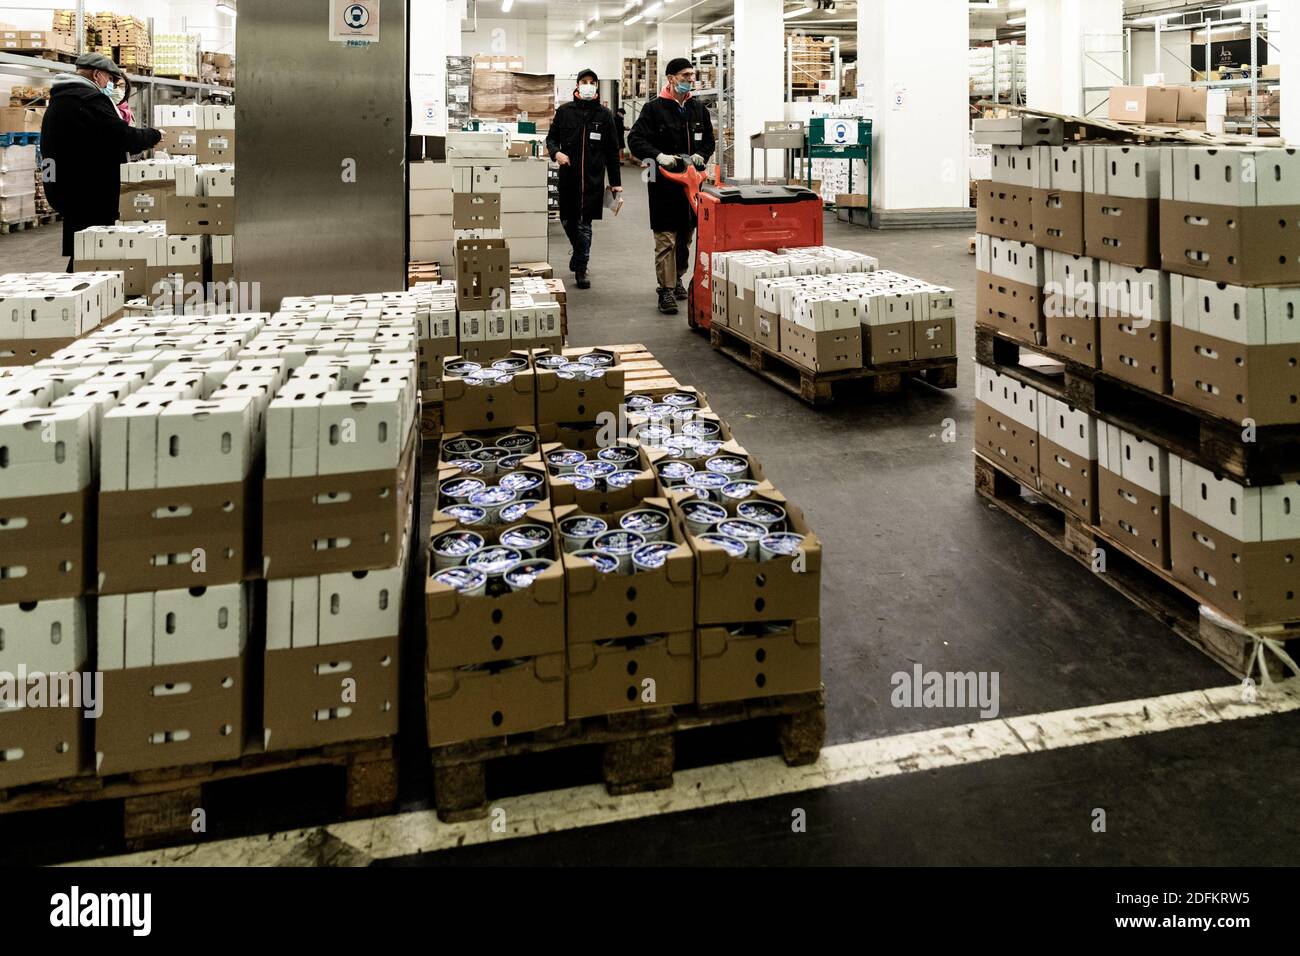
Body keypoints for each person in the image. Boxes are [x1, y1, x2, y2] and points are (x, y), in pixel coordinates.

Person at [41, 52, 162, 269]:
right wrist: (154, 135)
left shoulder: (61, 100)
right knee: (94, 249)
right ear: (97, 75)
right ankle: (82, 296)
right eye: (110, 79)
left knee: (85, 249)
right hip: (90, 192)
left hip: (67, 188)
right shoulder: (88, 100)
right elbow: (122, 136)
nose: (112, 85)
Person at [627, 56, 715, 315]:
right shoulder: (654, 109)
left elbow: (709, 140)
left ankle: (677, 278)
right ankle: (664, 291)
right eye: (686, 75)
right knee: (666, 238)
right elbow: (635, 139)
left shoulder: (699, 109)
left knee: (686, 236)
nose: (691, 79)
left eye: (692, 75)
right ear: (671, 78)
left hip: (692, 185)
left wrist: (702, 155)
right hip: (663, 183)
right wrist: (657, 156)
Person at [545, 68, 623, 290]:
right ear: (577, 85)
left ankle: (581, 268)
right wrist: (556, 153)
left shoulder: (604, 116)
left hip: (593, 180)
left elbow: (612, 152)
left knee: (585, 223)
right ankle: (579, 253)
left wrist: (616, 183)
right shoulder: (564, 111)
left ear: (596, 86)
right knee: (567, 220)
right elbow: (551, 139)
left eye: (592, 82)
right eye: (584, 81)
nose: (588, 85)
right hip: (568, 178)